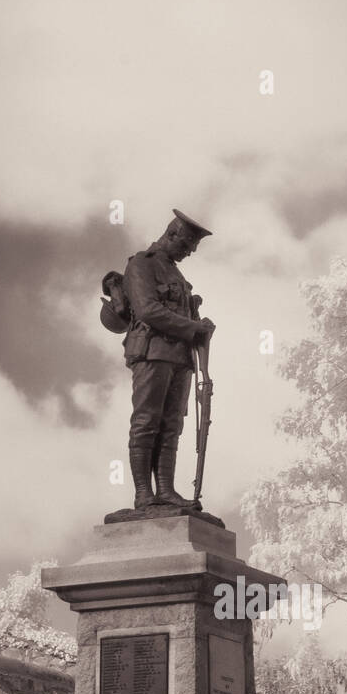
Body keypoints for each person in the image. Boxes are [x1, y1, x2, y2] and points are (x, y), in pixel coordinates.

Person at [118, 209, 215, 510]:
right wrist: (192, 328)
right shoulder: (141, 265)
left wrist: (200, 323)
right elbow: (148, 310)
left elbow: (179, 312)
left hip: (179, 358)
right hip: (151, 352)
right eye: (186, 247)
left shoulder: (176, 273)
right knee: (146, 422)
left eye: (191, 249)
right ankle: (143, 494)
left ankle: (166, 491)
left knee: (171, 426)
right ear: (172, 235)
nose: (188, 253)